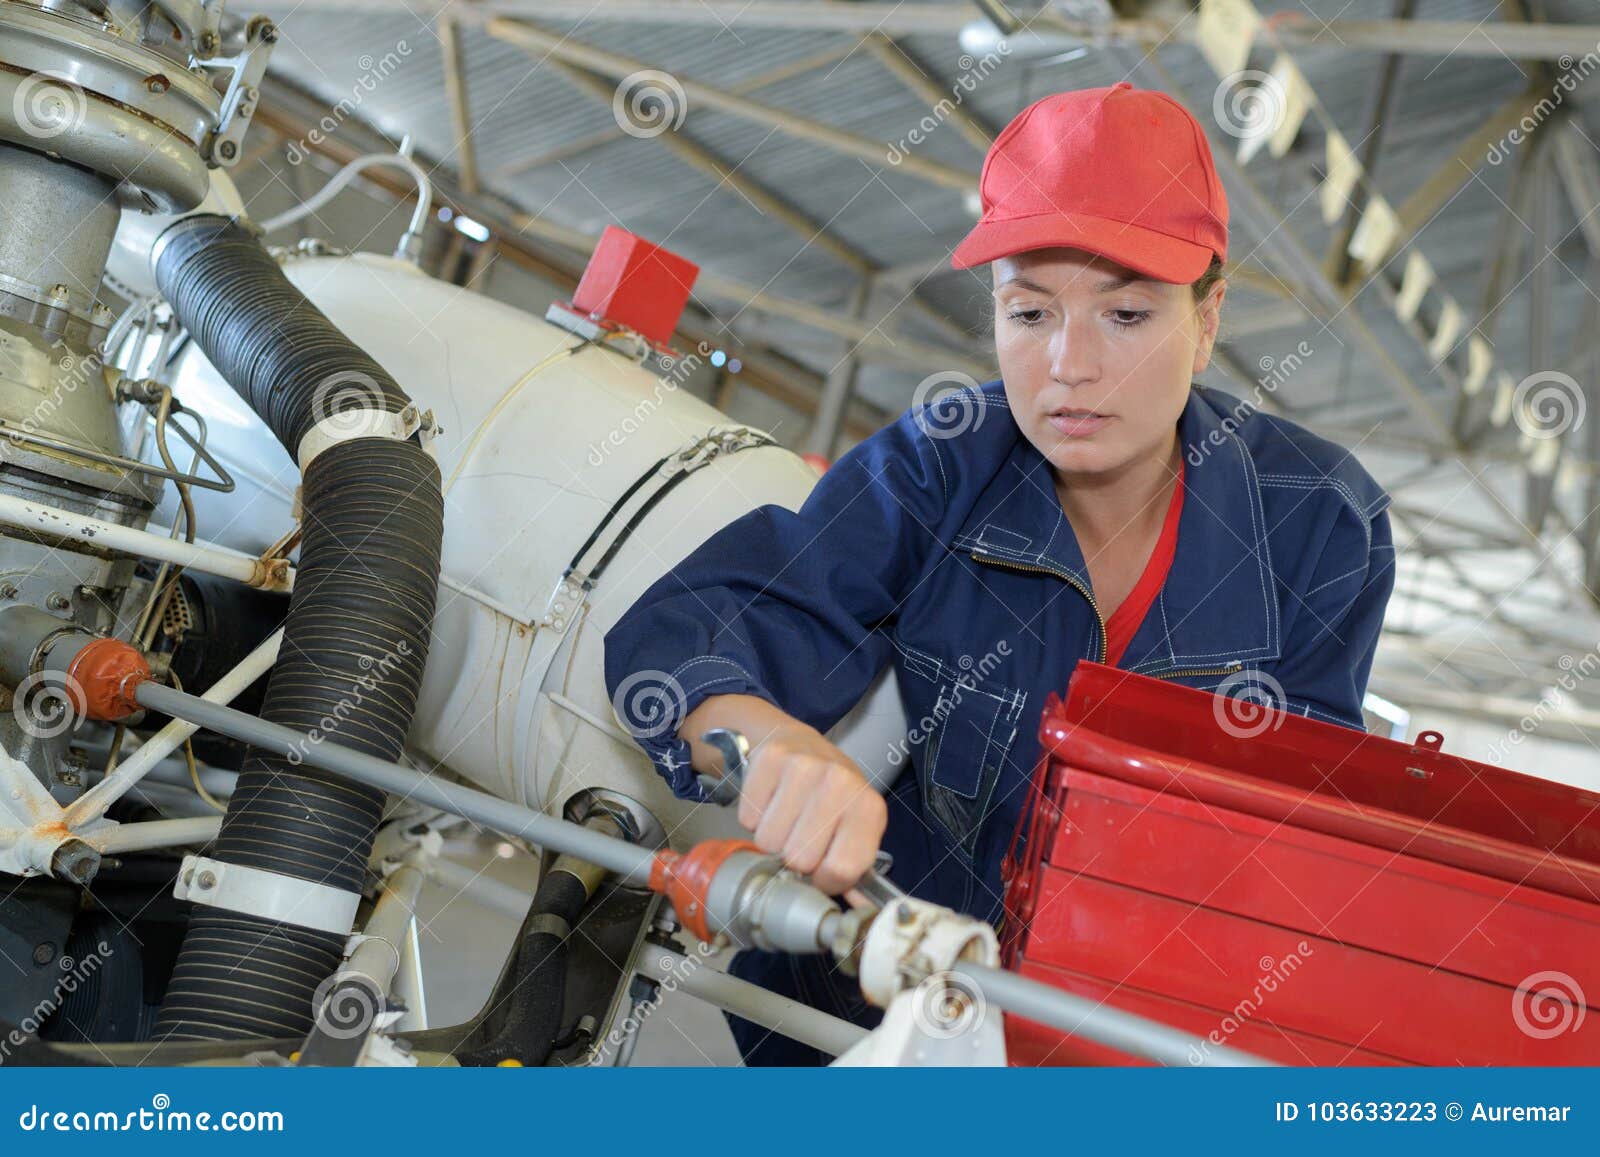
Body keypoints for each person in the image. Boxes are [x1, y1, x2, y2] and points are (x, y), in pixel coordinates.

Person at [602, 82, 1396, 1064]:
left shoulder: (1319, 519)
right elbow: (704, 620)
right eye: (1028, 311)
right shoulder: (945, 459)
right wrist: (769, 739)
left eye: (1127, 313)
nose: (1069, 363)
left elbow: (1293, 824)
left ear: (1207, 317)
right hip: (876, 1012)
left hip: (1126, 1035)